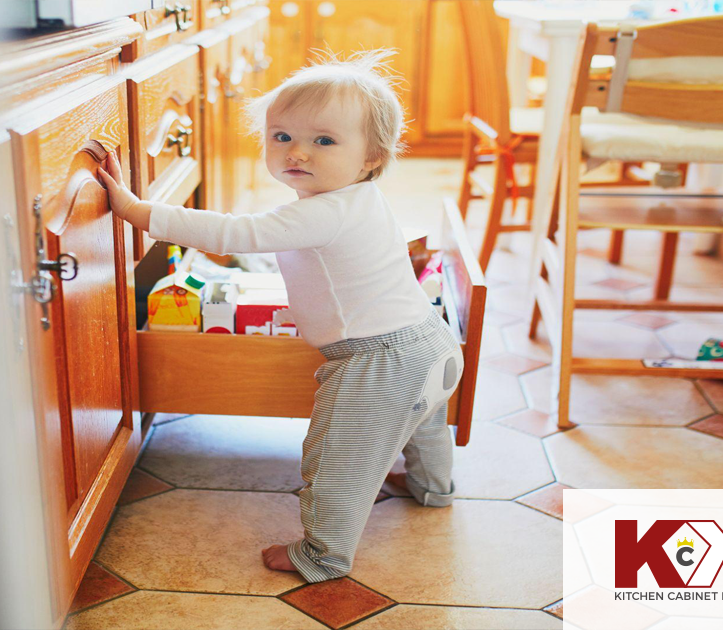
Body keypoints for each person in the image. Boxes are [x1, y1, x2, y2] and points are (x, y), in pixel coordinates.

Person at [96, 49, 464, 583]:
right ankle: (434, 489)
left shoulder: (321, 211)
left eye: (324, 140)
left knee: (338, 458)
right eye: (282, 136)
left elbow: (234, 233)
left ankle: (323, 556)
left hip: (376, 363)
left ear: (370, 157)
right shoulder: (361, 198)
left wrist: (136, 210)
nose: (298, 152)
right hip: (429, 343)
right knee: (425, 425)